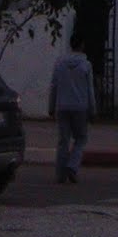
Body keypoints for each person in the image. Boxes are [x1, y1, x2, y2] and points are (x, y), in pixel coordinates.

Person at [48, 33, 97, 184]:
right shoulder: (86, 65)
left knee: (63, 141)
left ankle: (60, 174)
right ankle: (72, 165)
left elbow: (54, 86)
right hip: (80, 107)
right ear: (82, 45)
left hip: (62, 106)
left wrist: (51, 106)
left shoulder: (59, 63)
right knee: (81, 139)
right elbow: (90, 90)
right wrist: (93, 110)